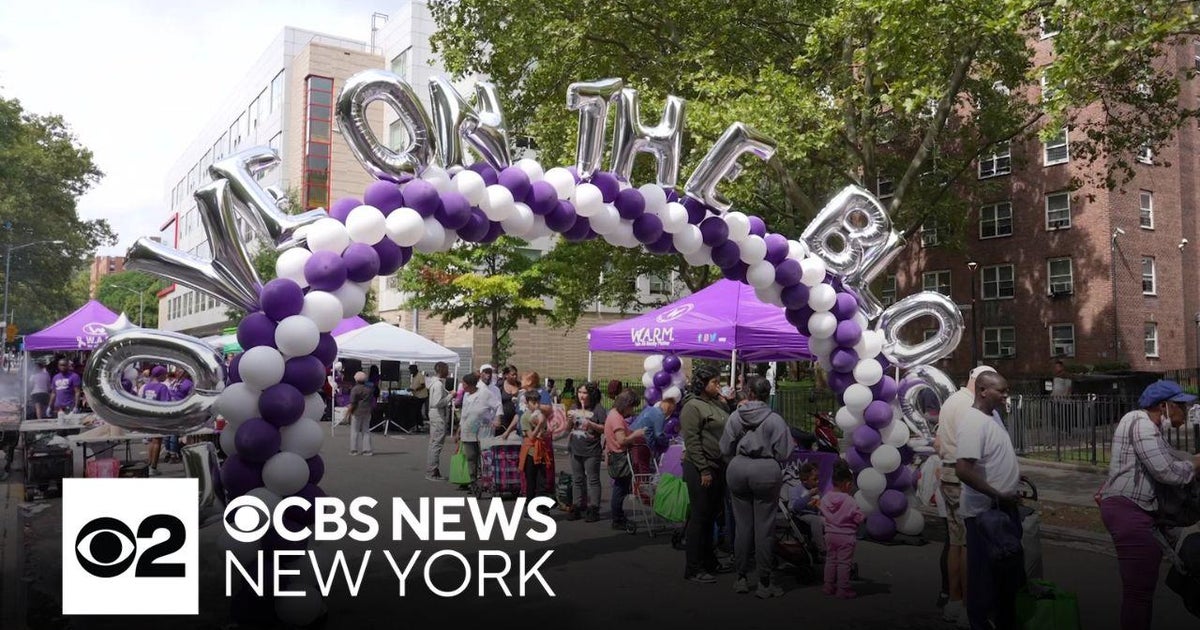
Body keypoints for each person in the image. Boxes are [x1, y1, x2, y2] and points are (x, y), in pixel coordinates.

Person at [1097, 380, 1200, 630]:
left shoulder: (1149, 427)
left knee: (1141, 590)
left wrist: (1192, 461)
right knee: (1138, 593)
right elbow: (1167, 471)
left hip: (1135, 511)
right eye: (1181, 406)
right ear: (1164, 406)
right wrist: (1196, 465)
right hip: (1130, 512)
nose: (1186, 412)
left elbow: (1173, 458)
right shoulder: (1141, 423)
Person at [955, 371, 1023, 630]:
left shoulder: (992, 415)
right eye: (1001, 391)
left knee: (1007, 580)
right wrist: (998, 494)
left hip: (1004, 509)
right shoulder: (973, 423)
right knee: (985, 580)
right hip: (986, 516)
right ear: (983, 390)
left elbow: (991, 456)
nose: (1006, 395)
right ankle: (980, 623)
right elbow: (963, 469)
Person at [720, 375, 794, 598]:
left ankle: (741, 578)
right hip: (765, 471)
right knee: (765, 528)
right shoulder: (775, 420)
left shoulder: (735, 416)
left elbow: (724, 448)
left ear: (749, 393)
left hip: (738, 468)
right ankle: (764, 582)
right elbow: (784, 452)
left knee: (742, 527)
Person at [935, 364, 996, 627]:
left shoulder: (951, 401)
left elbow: (937, 443)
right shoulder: (971, 406)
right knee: (971, 543)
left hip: (948, 473)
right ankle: (971, 608)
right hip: (966, 476)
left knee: (955, 542)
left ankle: (954, 600)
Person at [681, 365, 731, 584]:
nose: (717, 386)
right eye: (714, 382)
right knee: (699, 519)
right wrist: (703, 469)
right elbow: (691, 441)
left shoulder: (715, 404)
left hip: (718, 466)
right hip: (700, 468)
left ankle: (709, 561)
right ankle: (694, 567)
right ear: (702, 384)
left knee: (711, 517)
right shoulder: (692, 407)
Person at [820, 464, 865, 599]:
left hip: (830, 534)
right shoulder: (850, 501)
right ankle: (843, 589)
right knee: (844, 563)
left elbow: (823, 512)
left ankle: (828, 586)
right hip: (846, 536)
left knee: (830, 560)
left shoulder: (825, 498)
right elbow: (858, 517)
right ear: (847, 484)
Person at [604, 389, 645, 530]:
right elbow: (622, 440)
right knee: (619, 489)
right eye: (631, 406)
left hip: (615, 455)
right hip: (619, 456)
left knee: (620, 488)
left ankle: (618, 516)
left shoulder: (613, 414)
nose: (631, 410)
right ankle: (617, 518)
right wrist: (636, 434)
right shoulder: (616, 418)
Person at [566, 381, 607, 522]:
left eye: (585, 393)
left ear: (591, 394)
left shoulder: (598, 409)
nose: (581, 396)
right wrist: (570, 420)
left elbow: (604, 428)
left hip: (591, 450)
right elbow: (568, 428)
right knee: (577, 479)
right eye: (579, 392)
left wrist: (591, 424)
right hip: (575, 447)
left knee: (593, 479)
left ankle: (594, 508)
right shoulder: (574, 407)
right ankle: (577, 506)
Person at [454, 373, 489, 490]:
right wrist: (458, 430)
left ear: (470, 385)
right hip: (467, 430)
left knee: (483, 457)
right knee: (471, 456)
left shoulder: (484, 393)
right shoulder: (466, 396)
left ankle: (485, 480)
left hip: (481, 429)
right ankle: (473, 481)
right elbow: (463, 414)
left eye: (464, 383)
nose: (462, 386)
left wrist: (495, 419)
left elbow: (495, 407)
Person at [517, 391, 550, 498]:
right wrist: (539, 424)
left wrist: (545, 431)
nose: (536, 405)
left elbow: (544, 433)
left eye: (537, 402)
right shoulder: (525, 417)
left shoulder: (541, 415)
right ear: (527, 403)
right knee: (531, 481)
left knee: (542, 481)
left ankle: (541, 506)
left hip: (540, 452)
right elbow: (531, 437)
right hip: (530, 452)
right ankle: (530, 505)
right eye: (533, 402)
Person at [788, 462, 825, 558]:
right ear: (805, 480)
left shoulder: (816, 490)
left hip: (816, 515)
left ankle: (834, 548)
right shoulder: (796, 490)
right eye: (814, 479)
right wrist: (808, 496)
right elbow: (795, 507)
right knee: (816, 520)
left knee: (828, 521)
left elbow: (821, 506)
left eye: (818, 479)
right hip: (801, 516)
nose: (817, 481)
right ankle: (821, 549)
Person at [142, 366, 174, 476]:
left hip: (148, 416)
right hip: (158, 417)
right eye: (165, 374)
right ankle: (153, 467)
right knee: (157, 441)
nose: (166, 376)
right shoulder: (162, 387)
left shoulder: (147, 386)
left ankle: (150, 464)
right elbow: (166, 403)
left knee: (151, 441)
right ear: (160, 375)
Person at [629, 389, 680, 455]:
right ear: (669, 409)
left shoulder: (649, 409)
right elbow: (658, 435)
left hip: (633, 441)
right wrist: (668, 442)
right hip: (645, 444)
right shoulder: (660, 414)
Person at [424, 362, 452, 481]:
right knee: (436, 444)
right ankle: (432, 471)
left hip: (435, 415)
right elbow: (438, 402)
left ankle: (432, 469)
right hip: (438, 415)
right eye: (447, 369)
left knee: (433, 443)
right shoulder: (438, 385)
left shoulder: (435, 384)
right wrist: (450, 396)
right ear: (442, 370)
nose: (448, 371)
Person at [347, 371, 375, 456]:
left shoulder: (355, 389)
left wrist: (350, 410)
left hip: (357, 411)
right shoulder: (369, 389)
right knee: (366, 430)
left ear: (356, 379)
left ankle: (354, 450)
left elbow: (353, 401)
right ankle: (367, 450)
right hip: (367, 411)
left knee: (355, 431)